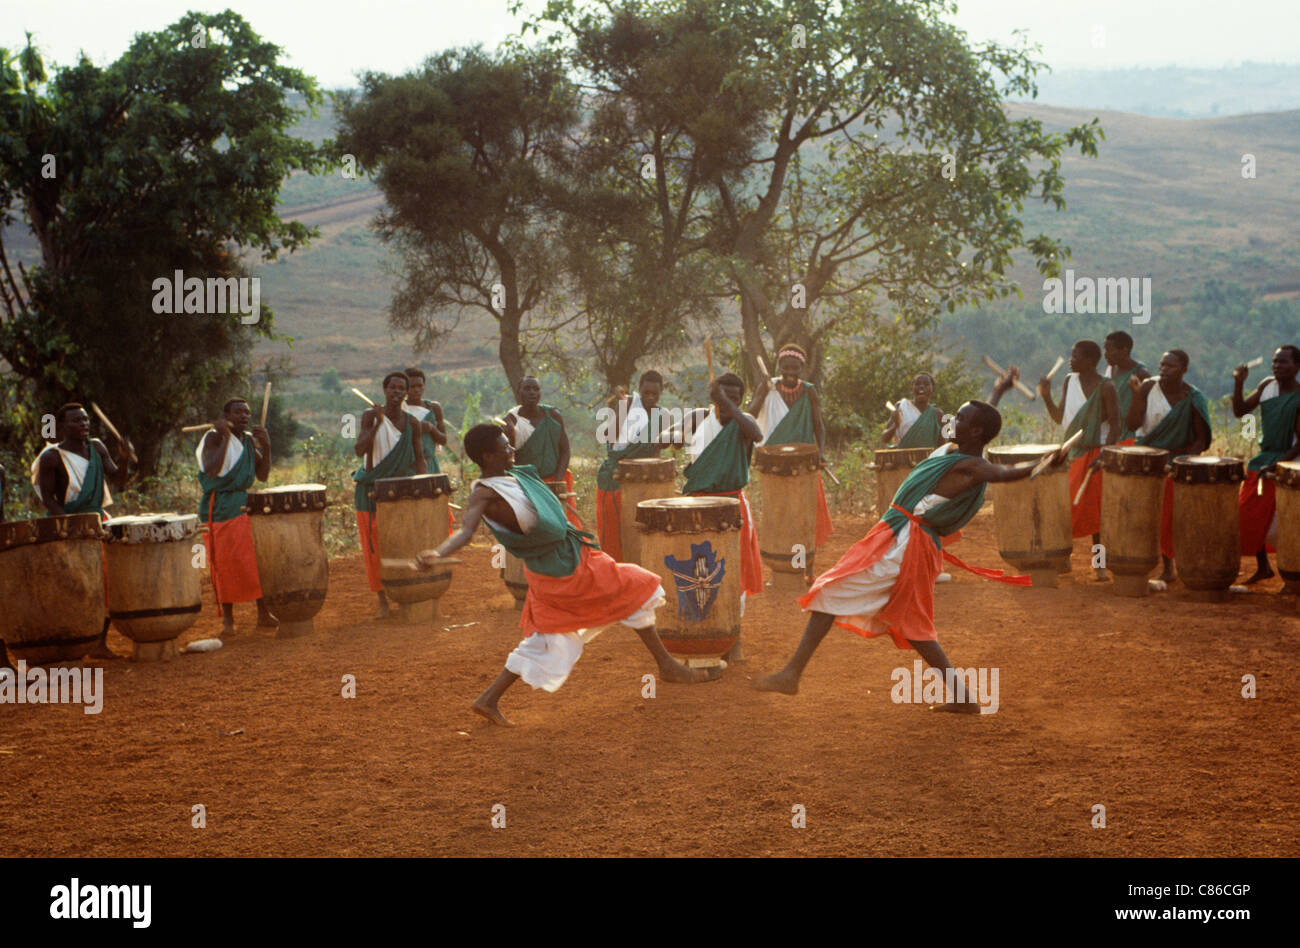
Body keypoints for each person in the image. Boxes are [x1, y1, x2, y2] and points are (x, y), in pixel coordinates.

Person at [416, 424, 718, 726]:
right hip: (561, 571)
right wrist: (439, 553)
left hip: (564, 561)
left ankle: (488, 699)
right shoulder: (485, 493)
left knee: (558, 633)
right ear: (487, 455)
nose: (512, 450)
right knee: (632, 588)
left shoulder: (515, 475)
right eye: (505, 447)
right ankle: (667, 665)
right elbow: (466, 531)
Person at [754, 401, 1038, 709]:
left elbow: (1002, 473)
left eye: (960, 417)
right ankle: (962, 697)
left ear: (976, 431)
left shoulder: (972, 465)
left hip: (906, 544)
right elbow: (985, 424)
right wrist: (1001, 389)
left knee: (832, 589)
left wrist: (1036, 466)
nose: (951, 420)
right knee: (911, 621)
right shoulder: (952, 453)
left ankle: (792, 673)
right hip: (904, 537)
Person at [677, 373, 764, 661]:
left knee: (734, 572)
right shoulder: (701, 419)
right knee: (699, 570)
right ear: (713, 397)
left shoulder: (743, 425)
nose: (728, 403)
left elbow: (758, 434)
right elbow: (674, 442)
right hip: (699, 506)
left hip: (731, 505)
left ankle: (732, 638)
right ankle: (703, 638)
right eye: (722, 397)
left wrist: (729, 404)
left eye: (735, 398)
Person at [31, 403, 126, 658]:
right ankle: (69, 645)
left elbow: (119, 481)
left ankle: (99, 642)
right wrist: (70, 525)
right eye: (76, 421)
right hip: (67, 525)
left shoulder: (97, 447)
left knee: (106, 581)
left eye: (85, 420)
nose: (83, 425)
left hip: (98, 521)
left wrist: (125, 458)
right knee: (72, 585)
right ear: (63, 425)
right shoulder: (51, 457)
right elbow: (48, 500)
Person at [748, 344, 833, 580]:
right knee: (780, 513)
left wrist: (821, 452)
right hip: (775, 464)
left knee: (807, 515)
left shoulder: (809, 391)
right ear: (779, 367)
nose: (789, 371)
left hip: (805, 464)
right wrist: (764, 392)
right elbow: (750, 415)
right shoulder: (768, 387)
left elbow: (819, 426)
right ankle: (779, 569)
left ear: (802, 369)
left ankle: (809, 568)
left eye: (794, 367)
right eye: (785, 367)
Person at [1127, 350, 1212, 583]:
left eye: (1170, 366)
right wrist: (1135, 396)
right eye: (1161, 365)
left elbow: (1200, 440)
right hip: (1148, 459)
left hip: (1177, 463)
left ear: (1184, 369)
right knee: (1142, 516)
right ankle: (1143, 564)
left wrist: (1183, 464)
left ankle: (1171, 567)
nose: (1163, 370)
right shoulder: (1147, 388)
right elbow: (1133, 423)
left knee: (1172, 517)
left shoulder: (1193, 398)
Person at [1038, 340, 1121, 576]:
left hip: (1097, 453)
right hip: (1071, 453)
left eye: (1076, 357)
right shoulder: (1068, 381)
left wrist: (1105, 453)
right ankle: (1063, 559)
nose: (1071, 360)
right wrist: (1046, 396)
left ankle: (1099, 565)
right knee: (1063, 509)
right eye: (1072, 356)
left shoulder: (1107, 387)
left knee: (1098, 516)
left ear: (1090, 361)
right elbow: (1059, 418)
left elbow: (1115, 425)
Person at [197, 397, 276, 637]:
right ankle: (228, 621)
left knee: (253, 560)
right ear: (226, 416)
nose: (245, 416)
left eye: (247, 413)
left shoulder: (248, 440)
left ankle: (263, 613)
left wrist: (267, 446)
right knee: (224, 564)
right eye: (238, 412)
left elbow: (262, 476)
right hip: (219, 506)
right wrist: (226, 437)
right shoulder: (213, 437)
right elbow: (212, 468)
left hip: (243, 504)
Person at [353, 372, 427, 618]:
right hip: (371, 493)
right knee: (375, 550)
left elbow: (419, 460)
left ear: (405, 393)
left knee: (403, 545)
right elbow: (359, 449)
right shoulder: (370, 416)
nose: (396, 392)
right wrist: (377, 424)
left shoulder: (412, 423)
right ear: (384, 390)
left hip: (400, 492)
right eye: (392, 388)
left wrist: (424, 487)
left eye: (401, 389)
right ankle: (382, 601)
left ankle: (405, 595)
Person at [1231, 345, 1300, 584]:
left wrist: (1278, 465)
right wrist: (1239, 383)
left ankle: (1292, 577)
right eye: (1274, 362)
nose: (1277, 366)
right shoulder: (1266, 386)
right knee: (1248, 512)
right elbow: (1240, 411)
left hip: (1291, 461)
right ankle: (1263, 567)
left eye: (1284, 362)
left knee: (1286, 520)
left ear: (1297, 366)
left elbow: (1299, 443)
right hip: (1265, 457)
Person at [595, 370, 668, 560]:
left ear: (661, 392)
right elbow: (609, 439)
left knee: (641, 534)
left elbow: (655, 452)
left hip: (643, 483)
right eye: (646, 393)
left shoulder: (662, 415)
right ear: (640, 389)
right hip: (616, 479)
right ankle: (615, 580)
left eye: (655, 394)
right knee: (614, 534)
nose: (650, 397)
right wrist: (621, 407)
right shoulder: (626, 406)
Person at [504, 377, 580, 527]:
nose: (532, 392)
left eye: (536, 389)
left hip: (556, 480)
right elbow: (509, 459)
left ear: (540, 393)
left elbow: (565, 451)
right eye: (527, 389)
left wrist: (557, 483)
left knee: (566, 528)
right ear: (519, 392)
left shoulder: (553, 415)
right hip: (528, 485)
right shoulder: (511, 420)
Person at [1103, 331, 1150, 441]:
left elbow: (1143, 413)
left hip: (1132, 437)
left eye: (1109, 350)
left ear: (1124, 351)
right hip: (1114, 434)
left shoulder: (1141, 374)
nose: (1105, 354)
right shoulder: (1111, 369)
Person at [402, 368, 448, 474]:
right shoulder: (400, 409)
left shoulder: (434, 408)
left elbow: (443, 440)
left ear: (424, 385)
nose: (417, 389)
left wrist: (431, 428)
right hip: (407, 466)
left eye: (419, 386)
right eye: (412, 386)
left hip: (430, 464)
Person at [883, 373, 946, 448]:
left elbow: (942, 446)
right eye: (917, 384)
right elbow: (884, 439)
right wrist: (896, 424)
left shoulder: (938, 414)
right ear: (911, 389)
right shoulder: (901, 408)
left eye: (926, 384)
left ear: (933, 389)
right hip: (902, 457)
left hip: (929, 458)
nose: (922, 386)